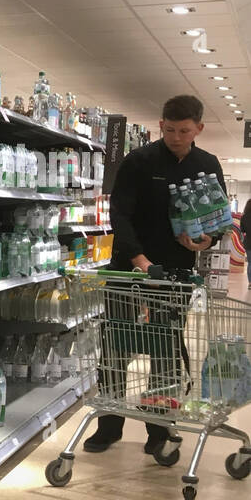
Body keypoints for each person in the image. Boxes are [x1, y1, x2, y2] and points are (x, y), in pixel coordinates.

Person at [84, 95, 226, 454]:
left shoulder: (207, 165)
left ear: (198, 129)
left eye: (184, 131)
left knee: (165, 352)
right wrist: (140, 260)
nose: (176, 137)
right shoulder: (138, 161)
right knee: (116, 347)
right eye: (170, 129)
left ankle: (158, 429)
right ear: (160, 125)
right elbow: (121, 215)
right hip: (128, 270)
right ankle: (110, 425)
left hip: (175, 273)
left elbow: (216, 219)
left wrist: (207, 241)